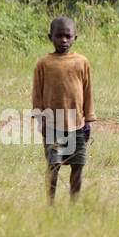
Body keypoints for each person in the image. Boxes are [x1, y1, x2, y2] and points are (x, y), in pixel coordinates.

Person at [32, 17, 95, 204]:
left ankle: (74, 203)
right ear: (50, 37)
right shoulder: (43, 64)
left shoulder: (81, 62)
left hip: (78, 125)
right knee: (53, 165)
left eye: (68, 36)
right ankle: (50, 204)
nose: (64, 41)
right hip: (52, 125)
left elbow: (88, 91)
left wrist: (89, 120)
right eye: (59, 36)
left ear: (75, 37)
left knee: (78, 165)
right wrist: (40, 119)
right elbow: (37, 94)